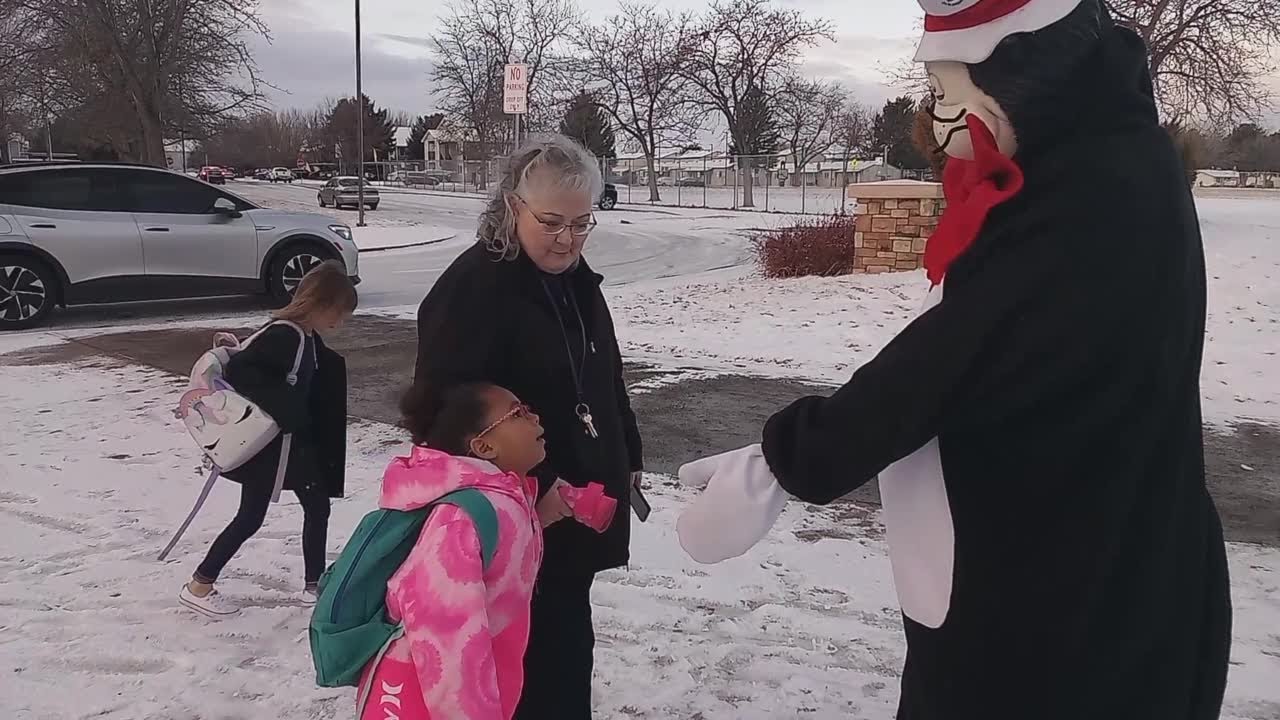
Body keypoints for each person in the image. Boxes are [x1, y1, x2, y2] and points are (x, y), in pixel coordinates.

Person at [675, 1, 1231, 719]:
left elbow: (955, 356)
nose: (934, 122)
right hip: (1109, 566)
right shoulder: (1115, 162)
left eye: (945, 92)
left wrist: (788, 459)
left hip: (1057, 618)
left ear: (1023, 76)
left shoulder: (1091, 201)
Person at [413, 135, 644, 719]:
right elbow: (439, 417)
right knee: (523, 665)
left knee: (567, 649)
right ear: (512, 207)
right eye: (551, 222)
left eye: (581, 223)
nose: (567, 238)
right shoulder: (476, 287)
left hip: (576, 504)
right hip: (515, 520)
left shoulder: (573, 278)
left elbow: (602, 373)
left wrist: (627, 450)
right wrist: (512, 502)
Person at [357, 381, 549, 720]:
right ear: (484, 446)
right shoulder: (461, 517)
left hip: (468, 691)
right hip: (420, 696)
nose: (534, 418)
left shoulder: (505, 496)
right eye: (518, 413)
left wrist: (554, 509)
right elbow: (446, 633)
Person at [180, 260, 355, 618]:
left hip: (286, 447)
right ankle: (200, 585)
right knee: (255, 516)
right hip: (273, 449)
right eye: (341, 312)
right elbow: (245, 372)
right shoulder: (286, 334)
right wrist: (291, 412)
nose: (342, 321)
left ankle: (312, 584)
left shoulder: (303, 335)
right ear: (321, 304)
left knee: (310, 508)